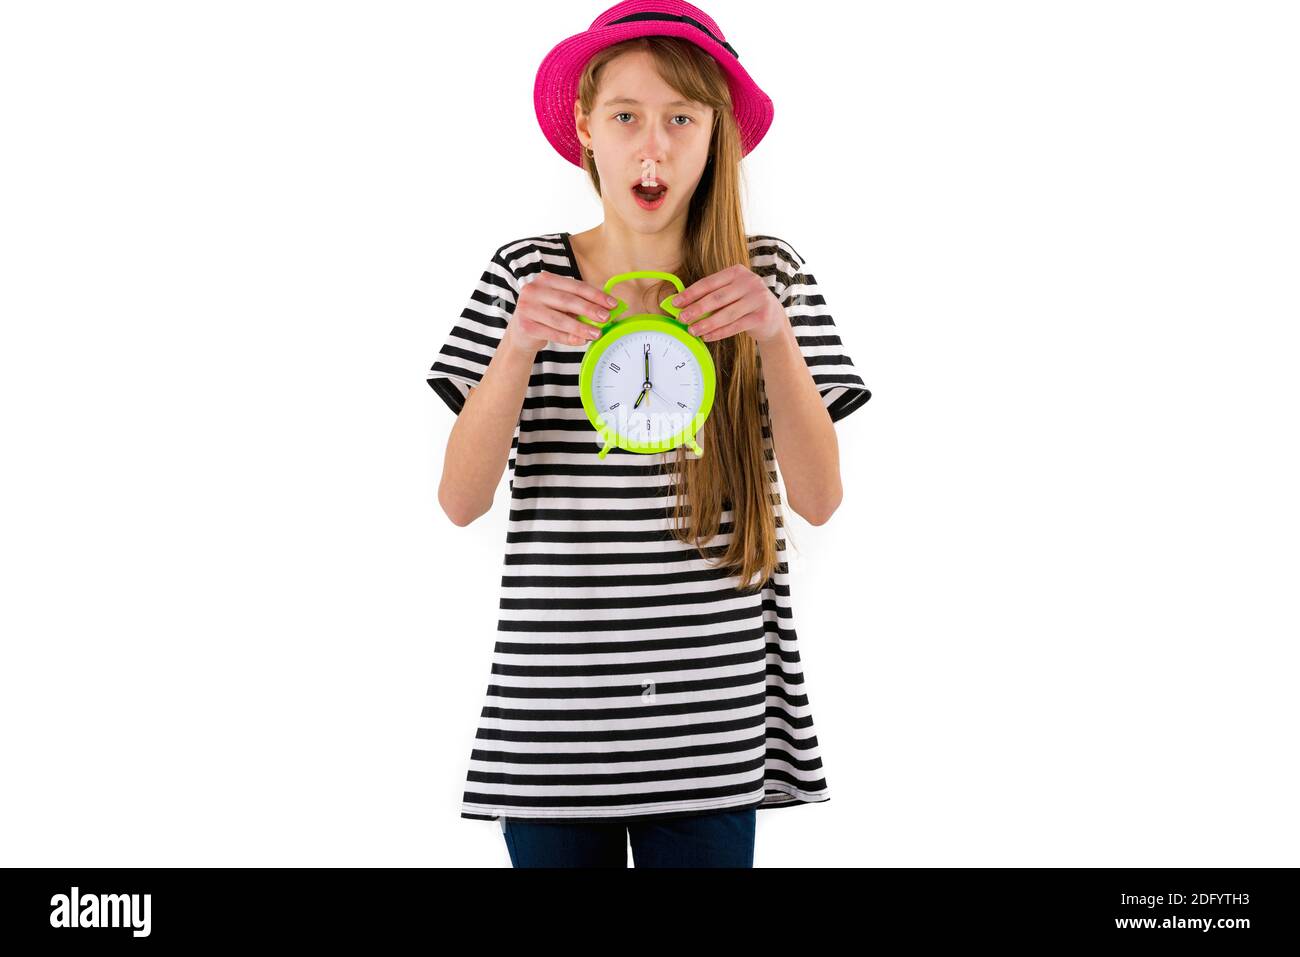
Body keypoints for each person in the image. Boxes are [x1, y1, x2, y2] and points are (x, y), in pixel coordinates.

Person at [426, 1, 872, 868]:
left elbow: (820, 501)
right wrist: (518, 343)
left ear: (718, 136)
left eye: (681, 117)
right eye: (627, 115)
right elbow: (458, 501)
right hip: (555, 728)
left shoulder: (768, 277)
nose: (653, 145)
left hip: (712, 730)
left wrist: (775, 335)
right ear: (587, 128)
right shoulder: (526, 275)